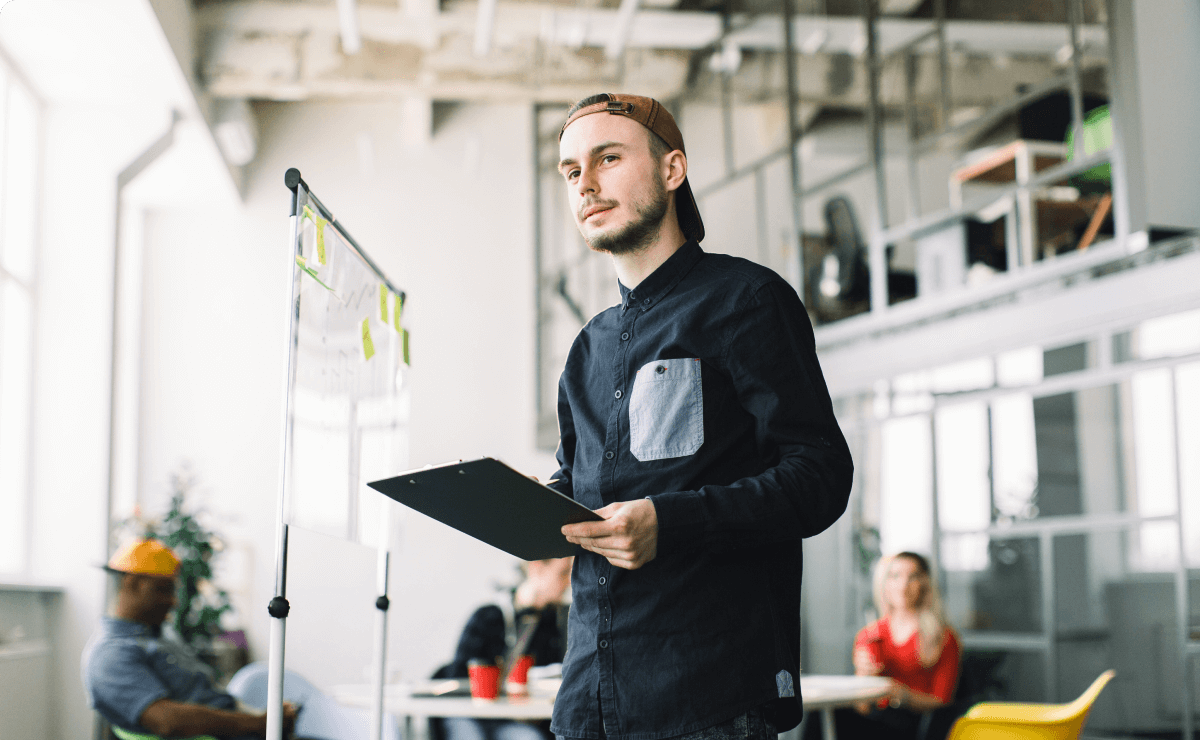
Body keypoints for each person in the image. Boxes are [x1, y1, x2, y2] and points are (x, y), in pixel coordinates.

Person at [548, 93, 854, 740]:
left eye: (608, 158)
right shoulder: (588, 349)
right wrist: (528, 515)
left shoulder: (746, 300)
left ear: (672, 170)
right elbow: (575, 487)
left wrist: (671, 521)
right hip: (589, 706)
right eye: (572, 172)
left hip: (706, 702)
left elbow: (820, 475)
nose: (588, 185)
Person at [82, 538, 305, 740]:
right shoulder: (110, 655)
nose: (173, 602)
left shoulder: (159, 633)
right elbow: (167, 721)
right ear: (132, 583)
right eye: (163, 590)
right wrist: (259, 724)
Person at [807, 552, 961, 740]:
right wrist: (864, 677)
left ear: (925, 583)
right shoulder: (869, 635)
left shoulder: (943, 637)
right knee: (822, 715)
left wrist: (899, 693)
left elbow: (942, 702)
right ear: (884, 583)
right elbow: (862, 708)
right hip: (878, 720)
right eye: (895, 576)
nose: (903, 585)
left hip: (916, 726)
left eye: (912, 577)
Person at [436, 557, 573, 740]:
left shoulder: (558, 624)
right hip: (470, 713)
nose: (569, 582)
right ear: (537, 568)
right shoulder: (488, 617)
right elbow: (459, 676)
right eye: (563, 573)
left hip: (516, 720)